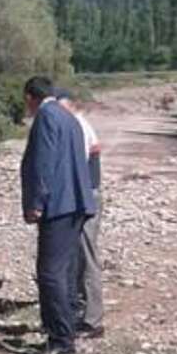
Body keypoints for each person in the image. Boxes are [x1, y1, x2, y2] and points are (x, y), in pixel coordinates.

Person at [20, 76, 97, 354]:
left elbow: (43, 163)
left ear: (30, 97)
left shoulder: (46, 117)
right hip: (77, 203)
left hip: (59, 206)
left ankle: (61, 341)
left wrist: (36, 203)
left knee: (50, 274)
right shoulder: (69, 118)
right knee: (64, 272)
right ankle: (66, 332)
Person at [57, 91, 106, 338]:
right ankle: (82, 314)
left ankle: (93, 320)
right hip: (86, 197)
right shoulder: (80, 124)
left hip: (86, 199)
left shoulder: (77, 126)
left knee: (87, 258)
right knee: (80, 257)